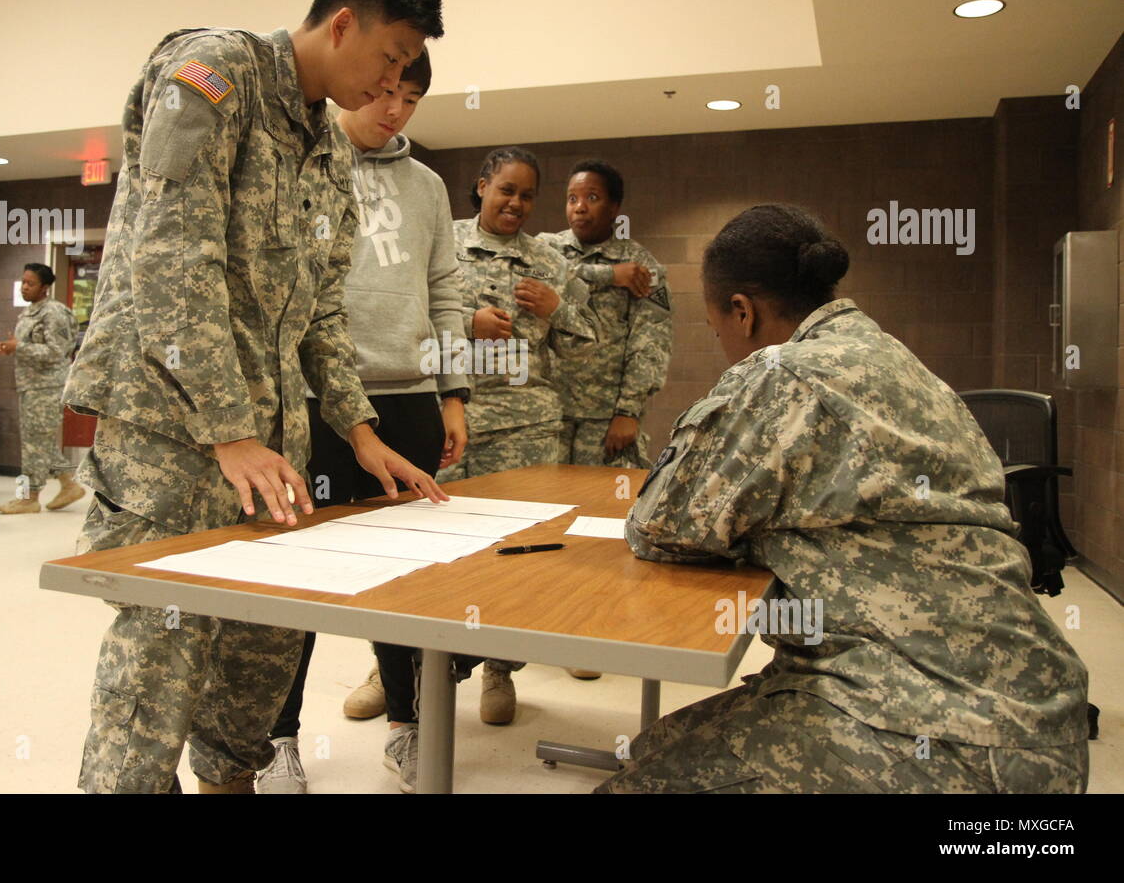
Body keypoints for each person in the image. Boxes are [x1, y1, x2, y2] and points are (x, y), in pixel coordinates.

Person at [61, 0, 447, 794]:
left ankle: (231, 780)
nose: (391, 91)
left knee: (261, 643)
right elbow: (170, 261)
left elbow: (320, 308)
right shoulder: (213, 75)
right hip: (170, 432)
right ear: (342, 22)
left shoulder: (325, 148)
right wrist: (228, 431)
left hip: (267, 440)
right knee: (162, 652)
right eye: (387, 61)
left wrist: (359, 427)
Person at [596, 204, 1090, 793]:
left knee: (632, 788)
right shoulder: (897, 360)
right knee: (653, 748)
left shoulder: (781, 375)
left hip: (936, 729)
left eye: (716, 325)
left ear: (742, 311)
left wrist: (746, 531)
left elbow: (658, 527)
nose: (721, 339)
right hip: (1027, 715)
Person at [259, 50, 470, 794]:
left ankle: (407, 727)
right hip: (315, 402)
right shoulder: (304, 165)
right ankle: (277, 738)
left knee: (405, 579)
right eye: (384, 93)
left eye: (410, 98)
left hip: (408, 397)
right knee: (303, 575)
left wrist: (452, 392)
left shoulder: (429, 187)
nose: (394, 110)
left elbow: (446, 289)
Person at [442, 146, 599, 724]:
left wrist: (560, 309)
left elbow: (591, 342)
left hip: (526, 428)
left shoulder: (549, 259)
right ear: (482, 186)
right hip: (446, 420)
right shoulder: (444, 240)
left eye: (528, 195)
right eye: (506, 189)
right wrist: (466, 324)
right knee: (429, 546)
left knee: (515, 554)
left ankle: (499, 673)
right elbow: (406, 315)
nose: (517, 203)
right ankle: (398, 671)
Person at [545, 160, 673, 680]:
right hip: (546, 415)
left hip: (605, 421)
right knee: (542, 521)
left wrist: (629, 411)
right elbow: (522, 277)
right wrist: (606, 276)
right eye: (574, 197)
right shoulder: (547, 250)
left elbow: (651, 342)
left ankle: (586, 631)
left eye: (593, 198)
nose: (580, 207)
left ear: (614, 208)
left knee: (601, 530)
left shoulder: (642, 266)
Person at [0, 262, 85, 514]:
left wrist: (18, 347)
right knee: (38, 441)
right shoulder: (30, 312)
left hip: (47, 386)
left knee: (35, 443)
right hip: (30, 385)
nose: (24, 287)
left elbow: (57, 352)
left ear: (45, 287)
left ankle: (28, 498)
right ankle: (69, 484)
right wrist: (11, 347)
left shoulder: (53, 312)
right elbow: (30, 346)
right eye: (23, 282)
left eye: (30, 283)